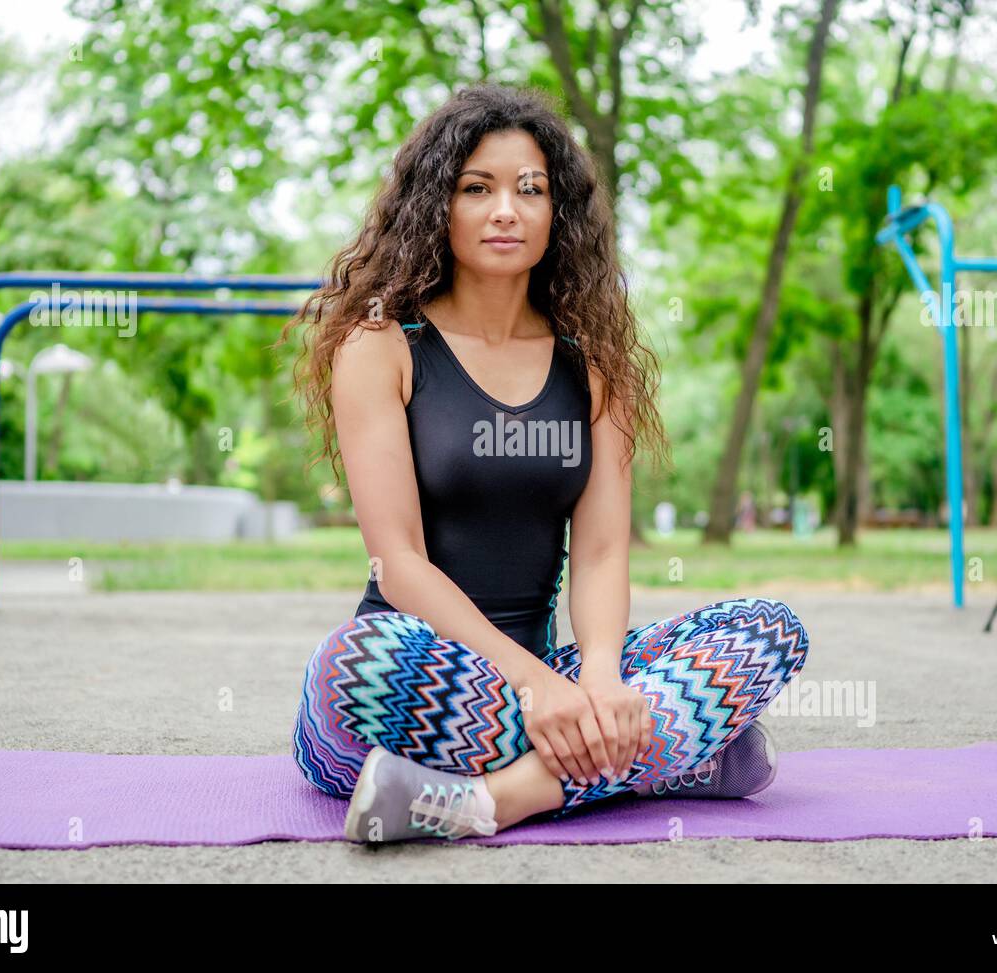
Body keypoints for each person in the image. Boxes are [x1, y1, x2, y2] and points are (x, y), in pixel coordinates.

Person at [279, 83, 810, 844]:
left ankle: (486, 800)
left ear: (558, 212)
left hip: (552, 678)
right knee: (352, 659)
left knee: (769, 629)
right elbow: (397, 562)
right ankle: (671, 756)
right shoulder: (382, 347)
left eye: (531, 189)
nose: (506, 209)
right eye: (477, 188)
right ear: (438, 205)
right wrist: (538, 688)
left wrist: (594, 673)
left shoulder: (593, 367)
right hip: (407, 676)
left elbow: (599, 551)